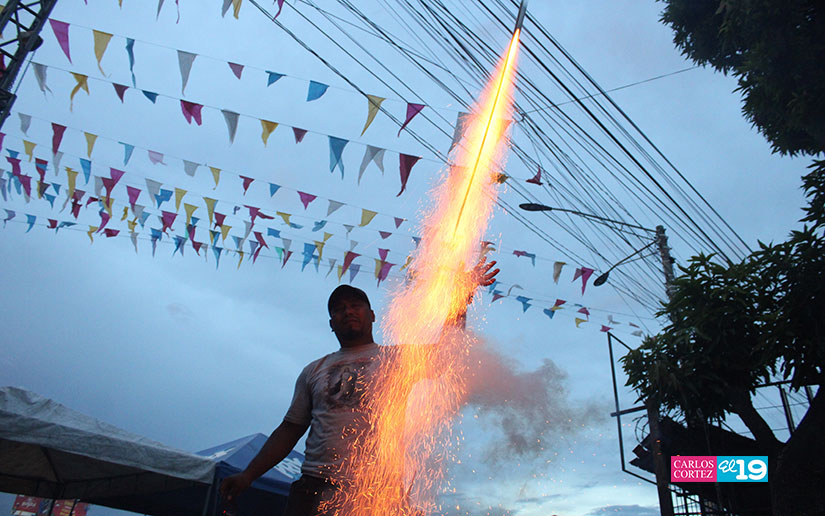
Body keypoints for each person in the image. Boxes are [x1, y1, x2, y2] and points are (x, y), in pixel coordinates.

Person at [219, 259, 499, 515]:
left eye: (355, 306)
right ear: (331, 324)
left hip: (377, 491)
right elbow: (290, 429)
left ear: (372, 315)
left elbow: (445, 355)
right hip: (316, 487)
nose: (347, 312)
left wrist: (461, 298)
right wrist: (248, 475)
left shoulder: (397, 359)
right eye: (339, 309)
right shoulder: (313, 370)